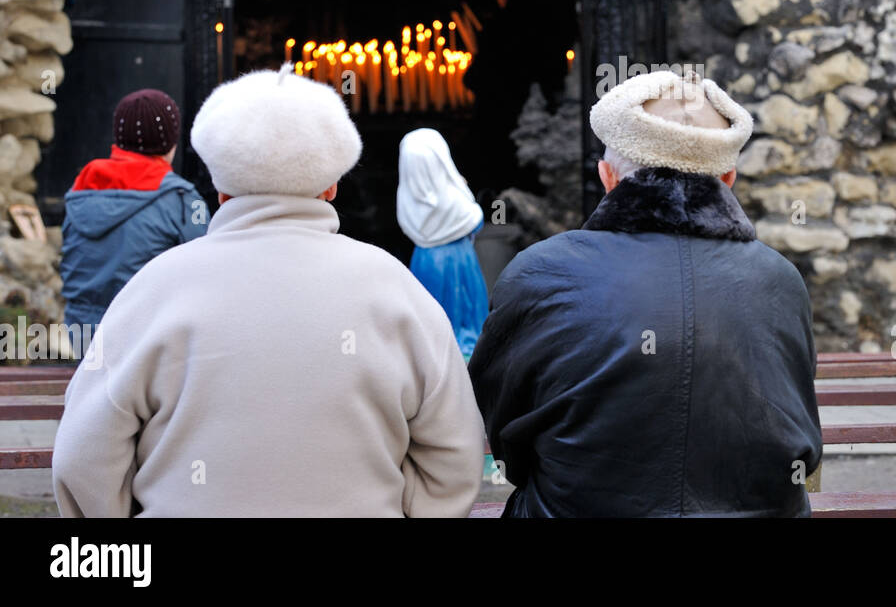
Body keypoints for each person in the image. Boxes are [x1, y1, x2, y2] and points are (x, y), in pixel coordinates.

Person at [52, 65, 485, 517]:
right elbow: (456, 456)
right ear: (331, 186)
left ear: (220, 190)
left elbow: (83, 457)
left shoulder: (153, 288)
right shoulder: (398, 290)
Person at [469, 69, 823, 517]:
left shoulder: (539, 273)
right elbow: (802, 445)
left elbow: (508, 444)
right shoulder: (782, 280)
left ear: (608, 177)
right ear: (728, 178)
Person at [59, 89, 207, 343]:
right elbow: (207, 271)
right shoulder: (186, 200)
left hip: (83, 338)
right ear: (172, 141)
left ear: (118, 138)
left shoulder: (81, 190)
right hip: (145, 339)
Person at [396, 128, 489, 360]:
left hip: (425, 262)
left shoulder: (407, 200)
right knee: (463, 312)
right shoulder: (452, 200)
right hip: (459, 261)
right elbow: (475, 220)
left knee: (430, 312)